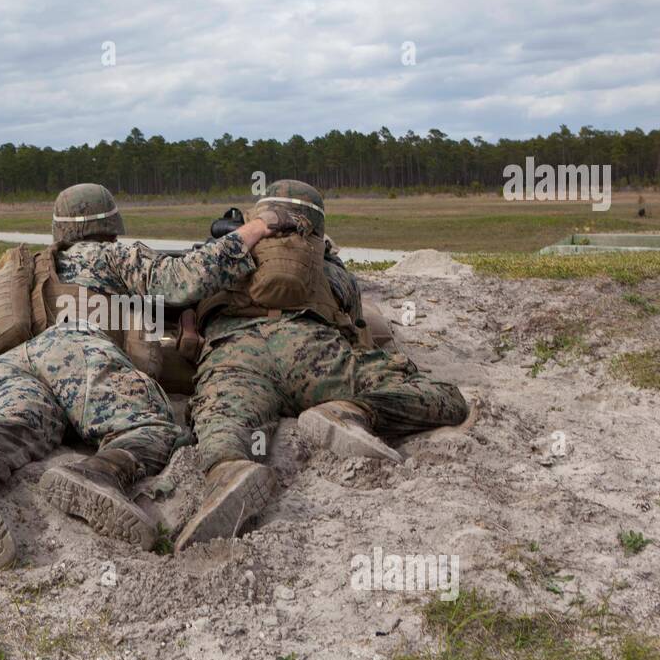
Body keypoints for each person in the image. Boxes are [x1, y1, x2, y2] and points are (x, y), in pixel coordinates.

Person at [0, 183, 300, 568]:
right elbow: (183, 278)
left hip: (15, 363)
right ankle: (100, 473)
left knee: (18, 426)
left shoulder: (34, 265)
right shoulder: (114, 253)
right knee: (153, 428)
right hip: (75, 350)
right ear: (111, 224)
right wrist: (254, 230)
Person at [177, 179, 471, 550]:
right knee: (445, 398)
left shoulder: (223, 257)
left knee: (223, 423)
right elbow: (355, 321)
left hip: (236, 354)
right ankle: (348, 411)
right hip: (313, 353)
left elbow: (180, 293)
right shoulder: (328, 269)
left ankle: (229, 470)